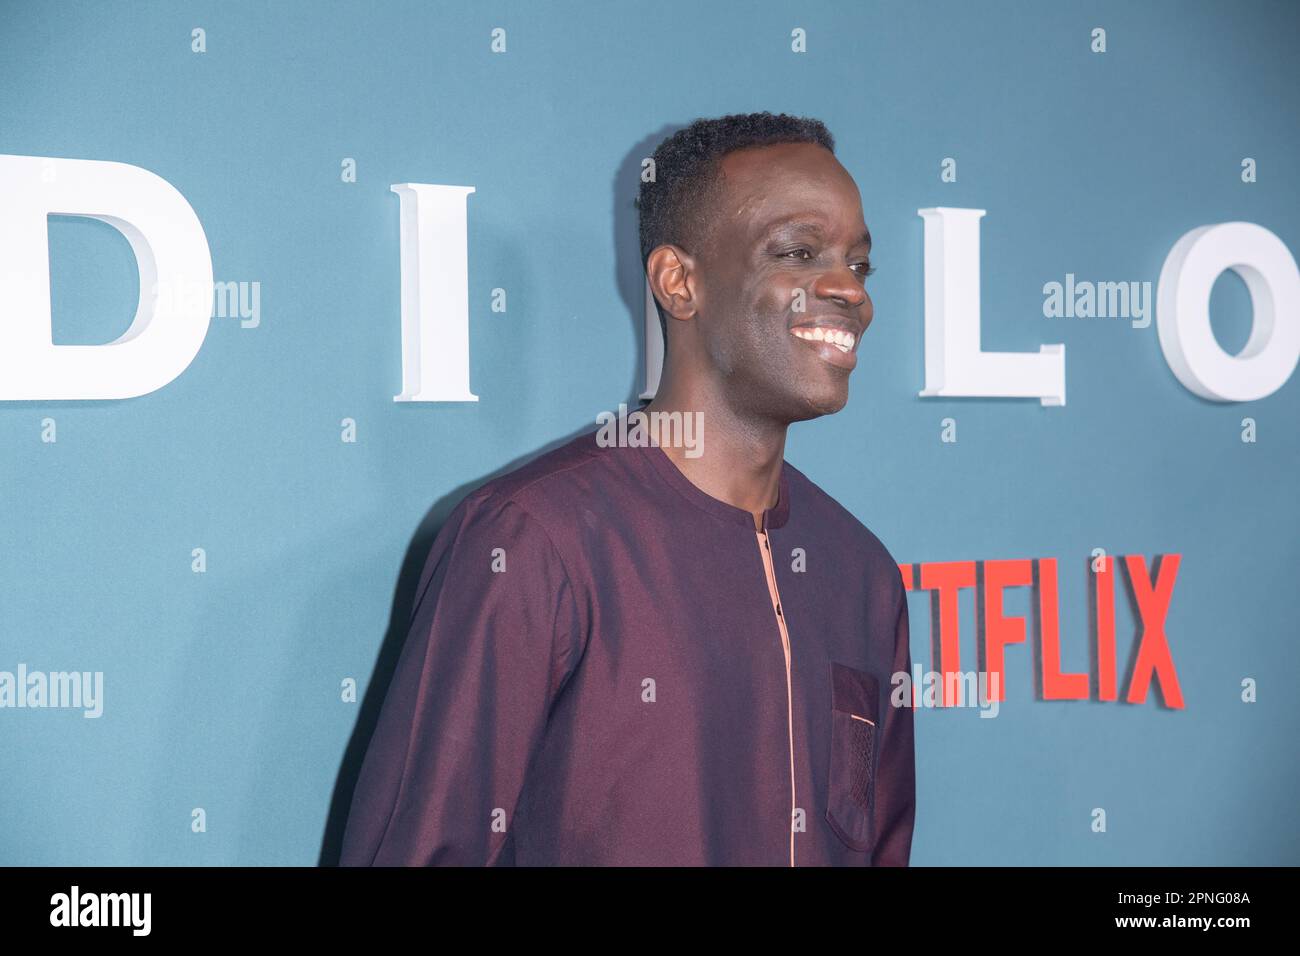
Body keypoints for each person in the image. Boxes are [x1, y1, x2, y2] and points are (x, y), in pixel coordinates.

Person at [339, 111, 915, 866]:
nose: (847, 289)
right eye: (799, 252)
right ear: (680, 282)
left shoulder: (861, 573)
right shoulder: (529, 541)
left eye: (859, 264)